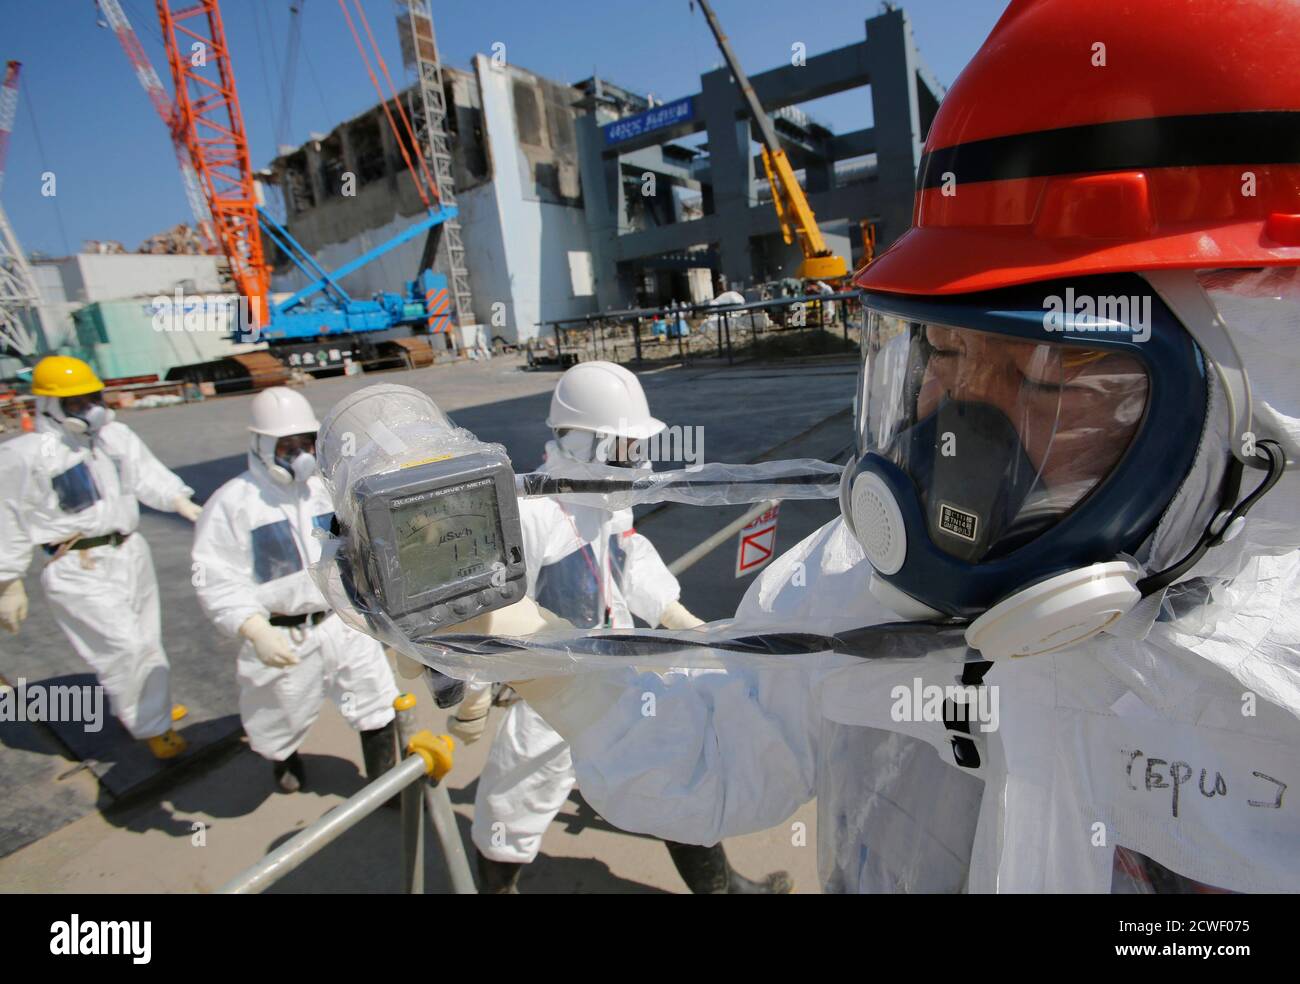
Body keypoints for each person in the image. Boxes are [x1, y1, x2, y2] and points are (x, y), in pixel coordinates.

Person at [487, 0, 1300, 892]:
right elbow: (720, 747)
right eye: (943, 351)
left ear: (1257, 415)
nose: (960, 424)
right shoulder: (863, 587)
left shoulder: (1273, 683)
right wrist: (548, 665)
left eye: (1047, 378)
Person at [456, 361, 792, 893]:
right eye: (625, 447)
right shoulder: (532, 514)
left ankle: (724, 889)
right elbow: (487, 606)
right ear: (581, 442)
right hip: (550, 695)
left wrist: (671, 612)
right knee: (510, 809)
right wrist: (471, 691)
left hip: (620, 679)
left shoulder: (607, 503)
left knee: (671, 784)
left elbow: (630, 558)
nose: (636, 460)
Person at [192, 387, 401, 792]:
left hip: (342, 620)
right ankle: (283, 760)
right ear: (261, 445)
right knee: (278, 714)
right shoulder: (234, 504)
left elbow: (360, 542)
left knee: (376, 700)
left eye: (305, 443)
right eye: (286, 446)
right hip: (282, 633)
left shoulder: (325, 489)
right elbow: (215, 576)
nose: (300, 454)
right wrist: (253, 628)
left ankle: (385, 783)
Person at [0, 356, 199, 758]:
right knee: (122, 646)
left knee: (145, 638)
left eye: (91, 398)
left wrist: (182, 502)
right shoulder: (26, 454)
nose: (88, 410)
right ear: (49, 407)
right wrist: (7, 581)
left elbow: (147, 476)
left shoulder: (115, 437)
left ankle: (148, 709)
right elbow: (7, 513)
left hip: (129, 551)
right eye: (75, 403)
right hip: (77, 564)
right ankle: (150, 725)